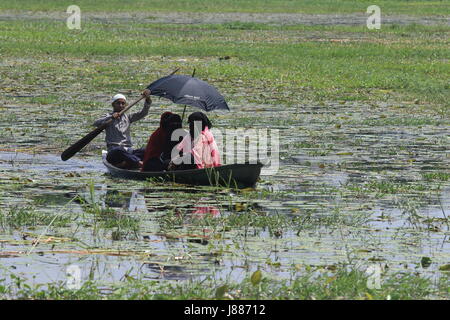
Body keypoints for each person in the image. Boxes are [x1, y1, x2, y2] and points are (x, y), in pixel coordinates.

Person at [94, 89, 151, 169]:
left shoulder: (128, 117)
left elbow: (143, 113)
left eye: (123, 103)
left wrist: (147, 100)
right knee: (118, 151)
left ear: (125, 105)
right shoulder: (108, 117)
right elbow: (96, 123)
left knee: (145, 150)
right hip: (114, 152)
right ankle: (138, 163)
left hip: (128, 151)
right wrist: (111, 117)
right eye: (118, 103)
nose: (121, 105)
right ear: (113, 105)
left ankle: (127, 163)